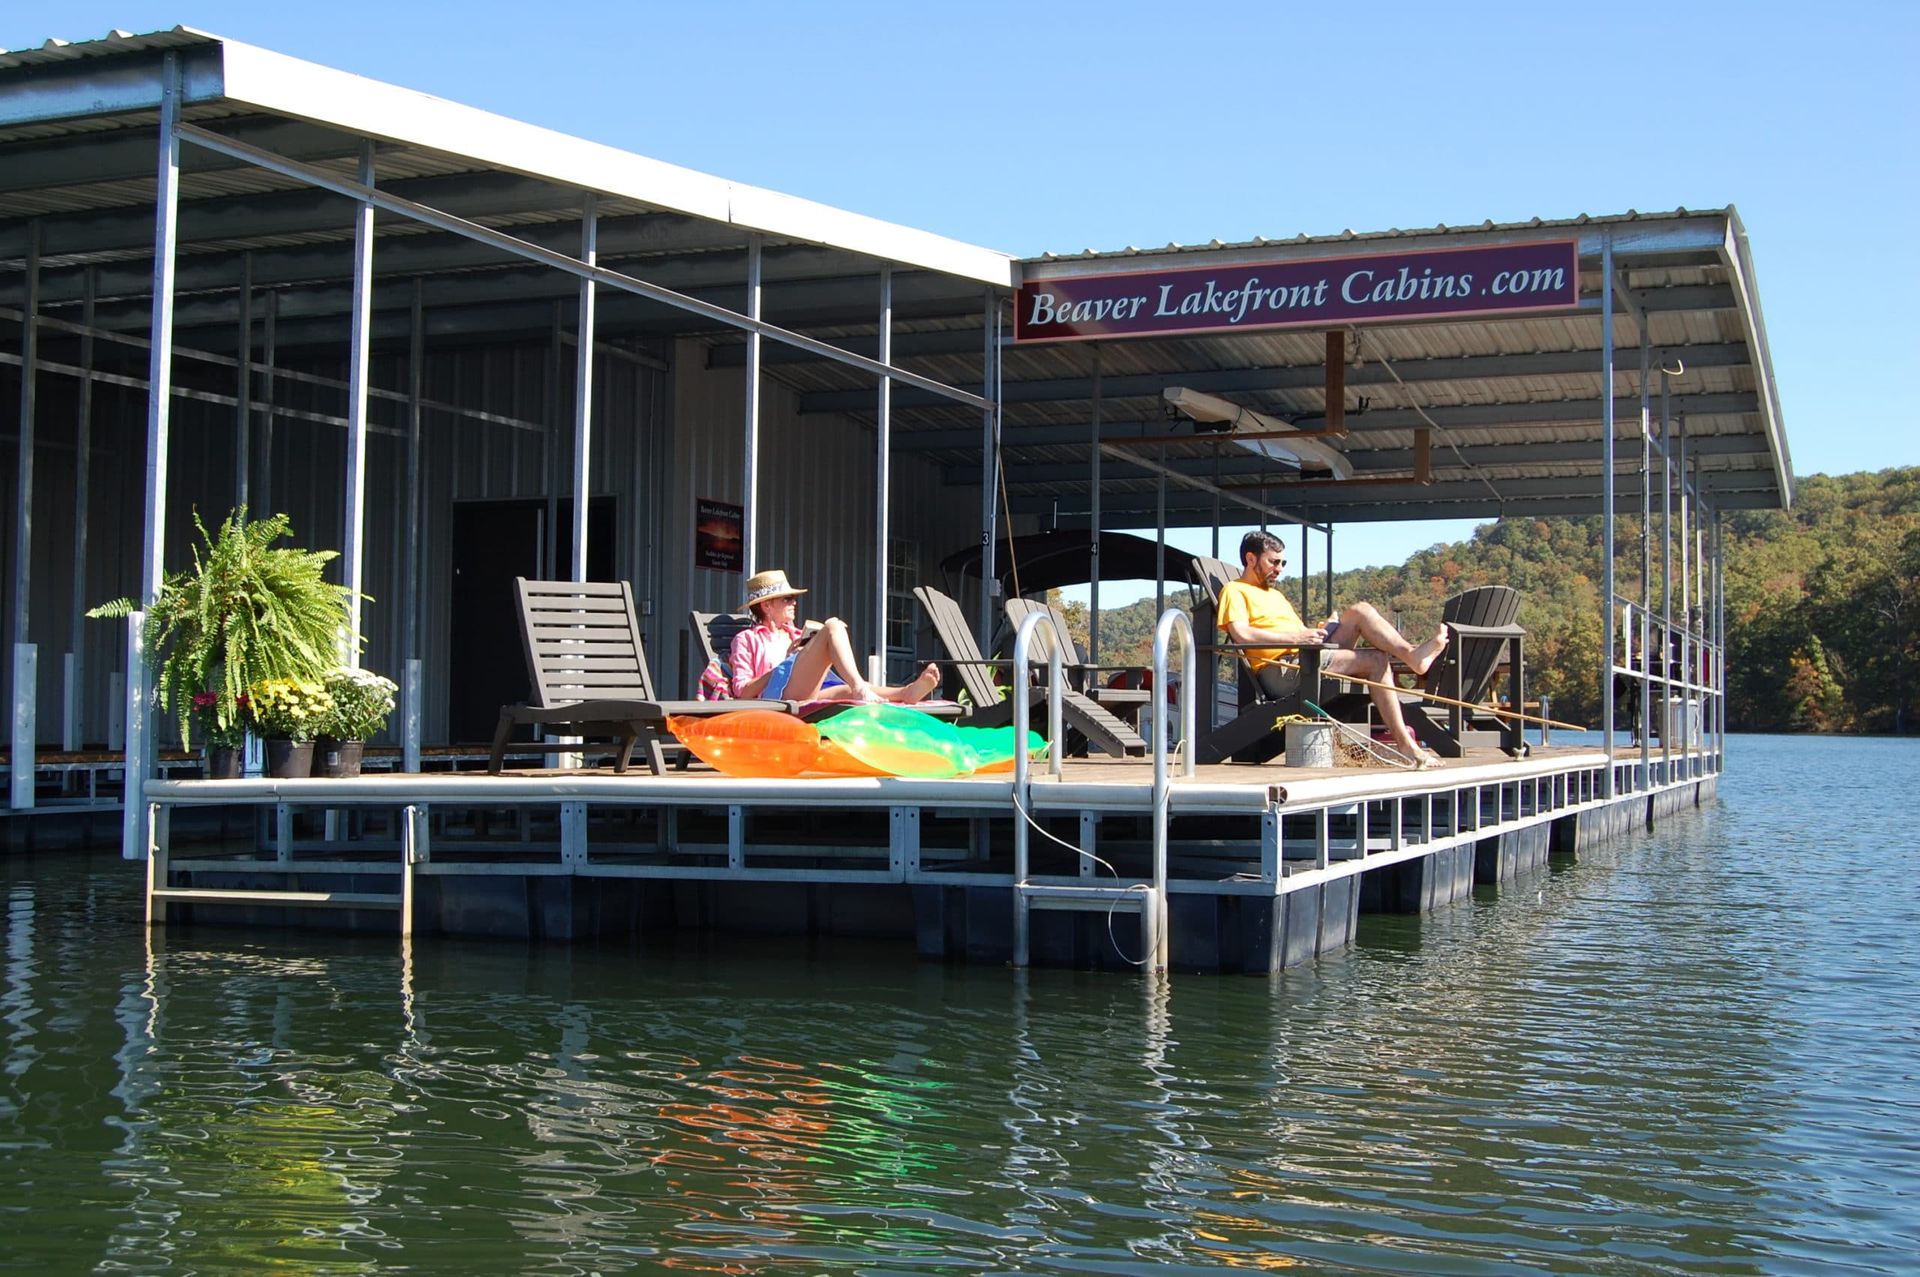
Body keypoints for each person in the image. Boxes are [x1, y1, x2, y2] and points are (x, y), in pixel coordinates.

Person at [1216, 530, 1450, 765]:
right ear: (1250, 558)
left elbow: (1297, 634)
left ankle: (1413, 656)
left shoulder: (1275, 596)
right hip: (1282, 669)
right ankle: (1406, 746)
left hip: (1305, 658)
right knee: (1377, 661)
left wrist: (1323, 630)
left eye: (1283, 562)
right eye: (1273, 562)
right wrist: (1297, 638)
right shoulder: (1234, 591)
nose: (1279, 569)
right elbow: (1241, 633)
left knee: (1361, 610)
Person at [730, 568, 940, 704]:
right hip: (775, 698)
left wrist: (804, 655)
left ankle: (905, 693)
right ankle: (861, 688)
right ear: (766, 605)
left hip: (807, 692)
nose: (794, 602)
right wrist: (783, 667)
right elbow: (742, 691)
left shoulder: (794, 635)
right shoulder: (747, 639)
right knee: (832, 626)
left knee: (845, 692)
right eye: (787, 598)